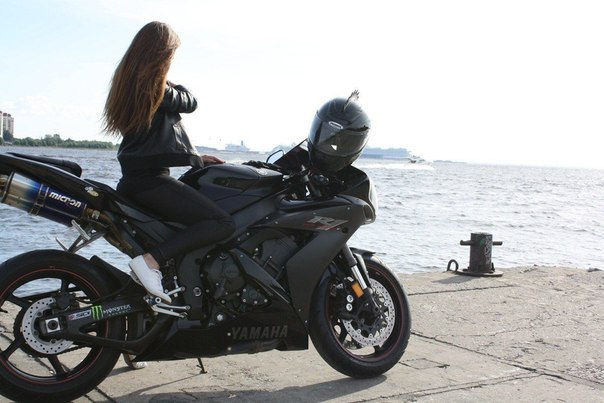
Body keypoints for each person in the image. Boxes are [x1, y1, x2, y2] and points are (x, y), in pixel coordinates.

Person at [102, 21, 235, 304]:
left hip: (136, 181)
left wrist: (197, 159)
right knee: (221, 222)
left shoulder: (132, 83)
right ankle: (151, 262)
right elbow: (190, 102)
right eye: (171, 54)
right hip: (149, 182)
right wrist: (174, 83)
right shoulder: (154, 86)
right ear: (161, 53)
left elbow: (151, 139)